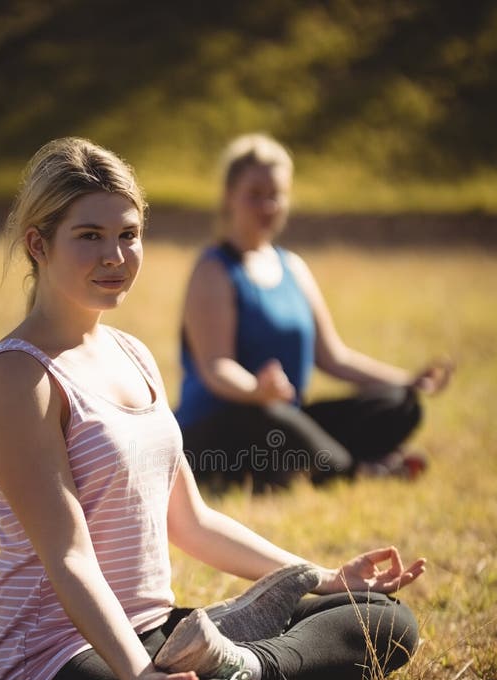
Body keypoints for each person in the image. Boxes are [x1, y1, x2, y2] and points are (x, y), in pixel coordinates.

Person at [0, 137, 425, 680]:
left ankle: (239, 661)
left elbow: (193, 520)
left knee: (383, 618)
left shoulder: (132, 353)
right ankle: (240, 674)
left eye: (128, 235)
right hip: (57, 662)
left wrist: (322, 577)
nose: (115, 257)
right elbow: (68, 557)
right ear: (39, 244)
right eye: (89, 236)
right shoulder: (18, 378)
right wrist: (140, 679)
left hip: (162, 635)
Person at [175, 133, 453, 490]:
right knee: (274, 421)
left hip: (284, 416)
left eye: (276, 195)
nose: (267, 206)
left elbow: (333, 356)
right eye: (255, 195)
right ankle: (358, 469)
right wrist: (256, 389)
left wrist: (406, 380)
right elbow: (216, 368)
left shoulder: (294, 267)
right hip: (220, 427)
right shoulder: (213, 270)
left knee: (400, 404)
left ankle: (305, 465)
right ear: (230, 197)